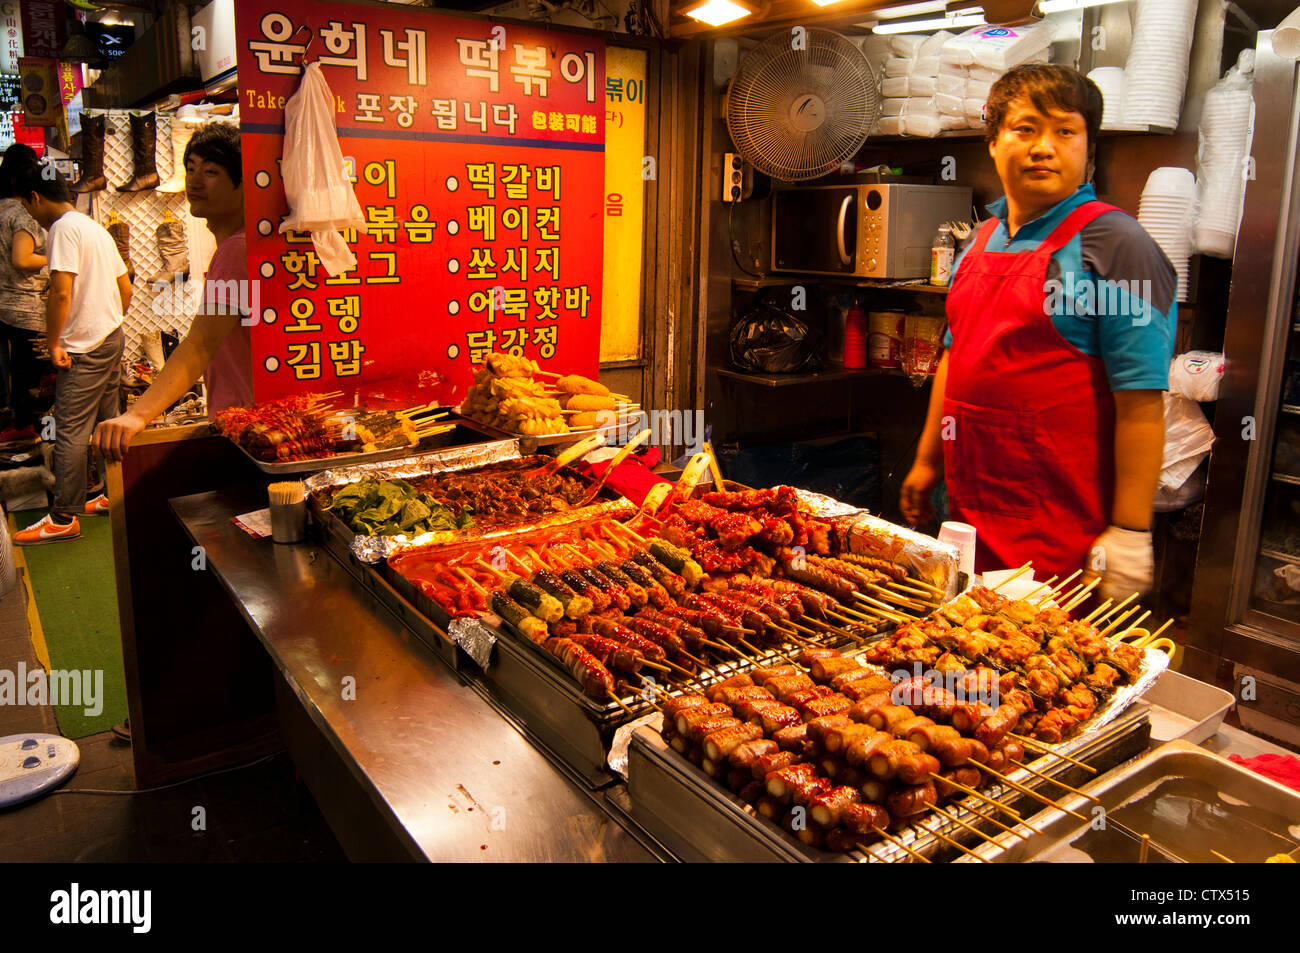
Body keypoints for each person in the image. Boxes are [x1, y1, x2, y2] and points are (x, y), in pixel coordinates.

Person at [900, 65, 1175, 602]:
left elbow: (1142, 400)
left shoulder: (1116, 244)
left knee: (1033, 677)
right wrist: (927, 460)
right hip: (970, 511)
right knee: (961, 666)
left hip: (1060, 528)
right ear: (994, 142)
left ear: (1088, 148)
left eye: (1065, 131)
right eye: (1026, 129)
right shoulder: (981, 239)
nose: (1044, 147)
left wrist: (1131, 531)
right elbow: (955, 360)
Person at [93, 122, 248, 462]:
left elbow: (201, 342)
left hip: (247, 429)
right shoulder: (235, 248)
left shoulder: (238, 251)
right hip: (244, 421)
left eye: (211, 171)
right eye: (190, 168)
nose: (194, 181)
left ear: (242, 183)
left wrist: (137, 414)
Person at [0, 144, 49, 443]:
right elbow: (22, 259)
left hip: (1, 305)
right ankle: (33, 436)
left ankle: (13, 428)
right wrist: (55, 257)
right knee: (31, 382)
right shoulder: (24, 213)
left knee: (9, 378)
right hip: (24, 307)